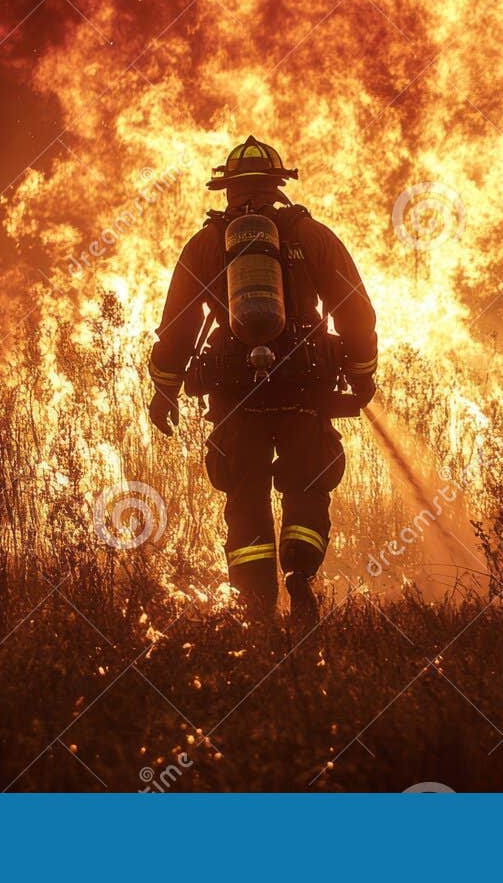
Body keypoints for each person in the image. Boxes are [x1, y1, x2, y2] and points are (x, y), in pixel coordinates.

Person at [146, 136, 378, 624]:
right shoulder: (312, 235)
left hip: (236, 394)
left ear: (226, 189)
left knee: (245, 491)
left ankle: (255, 607)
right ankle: (301, 578)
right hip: (305, 388)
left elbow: (178, 327)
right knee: (306, 485)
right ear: (279, 185)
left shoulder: (207, 244)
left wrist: (164, 390)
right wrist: (360, 373)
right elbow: (354, 310)